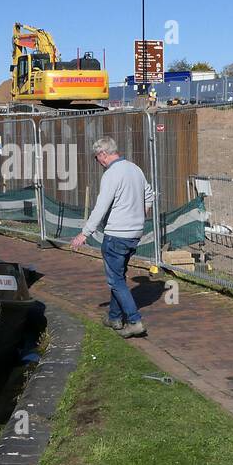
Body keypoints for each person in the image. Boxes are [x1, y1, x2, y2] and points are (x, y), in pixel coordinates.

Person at [69, 136, 154, 338]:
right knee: (119, 277)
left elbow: (101, 207)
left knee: (115, 280)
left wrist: (84, 233)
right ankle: (114, 317)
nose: (98, 162)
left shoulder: (111, 174)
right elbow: (149, 194)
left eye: (97, 157)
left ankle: (134, 321)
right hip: (134, 234)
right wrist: (142, 214)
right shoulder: (135, 169)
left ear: (103, 154)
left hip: (117, 235)